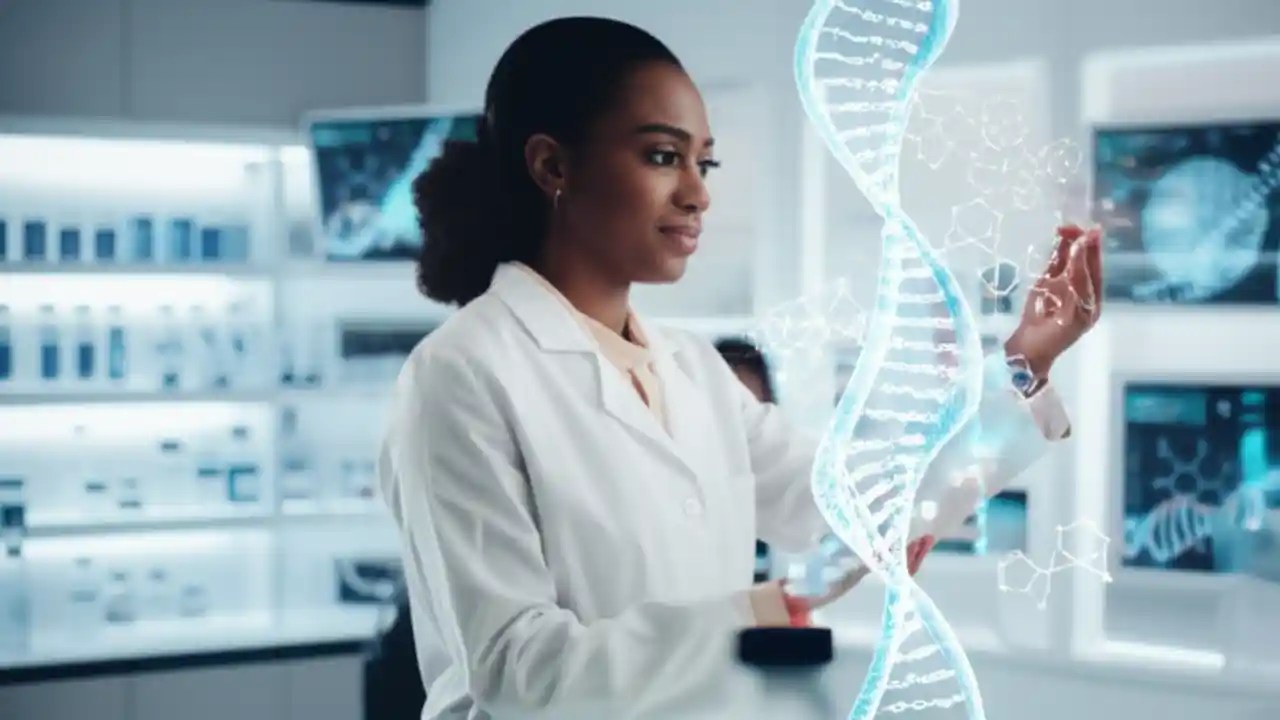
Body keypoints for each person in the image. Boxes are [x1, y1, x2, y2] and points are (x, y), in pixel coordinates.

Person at [377, 16, 1100, 720]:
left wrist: (1024, 362)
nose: (698, 192)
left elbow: (854, 512)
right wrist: (757, 616)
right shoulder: (461, 374)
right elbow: (516, 670)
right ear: (552, 165)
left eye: (704, 160)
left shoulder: (692, 369)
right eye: (663, 156)